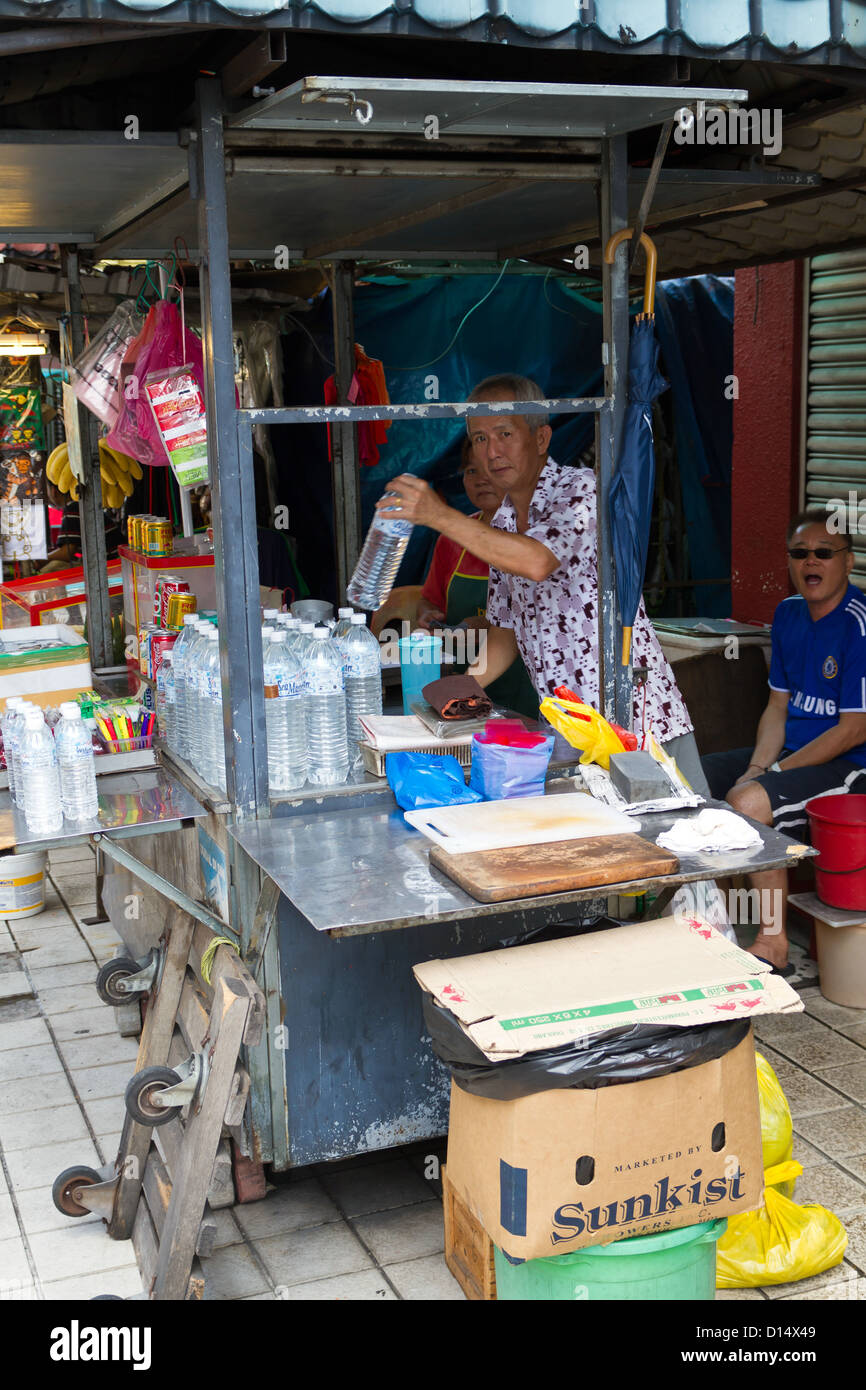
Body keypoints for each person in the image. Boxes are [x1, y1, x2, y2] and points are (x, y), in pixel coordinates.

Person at [377, 373, 709, 791]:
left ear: (540, 438)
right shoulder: (501, 522)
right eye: (479, 439)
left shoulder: (581, 491)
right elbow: (504, 631)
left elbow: (537, 561)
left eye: (504, 433)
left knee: (692, 838)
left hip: (636, 720)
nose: (492, 451)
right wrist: (456, 693)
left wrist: (438, 515)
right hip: (573, 734)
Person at [702, 509, 866, 972]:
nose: (810, 562)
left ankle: (773, 943)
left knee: (750, 802)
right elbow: (777, 707)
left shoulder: (859, 624)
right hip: (796, 755)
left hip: (853, 766)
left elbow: (854, 728)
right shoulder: (788, 613)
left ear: (847, 562)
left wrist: (771, 777)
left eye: (823, 553)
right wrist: (759, 766)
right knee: (689, 777)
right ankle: (714, 921)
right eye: (799, 553)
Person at [415, 439, 539, 718]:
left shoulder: (535, 539)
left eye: (490, 469)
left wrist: (484, 624)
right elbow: (427, 599)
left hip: (527, 691)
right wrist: (429, 616)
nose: (481, 479)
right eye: (471, 471)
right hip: (468, 683)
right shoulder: (452, 539)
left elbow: (534, 618)